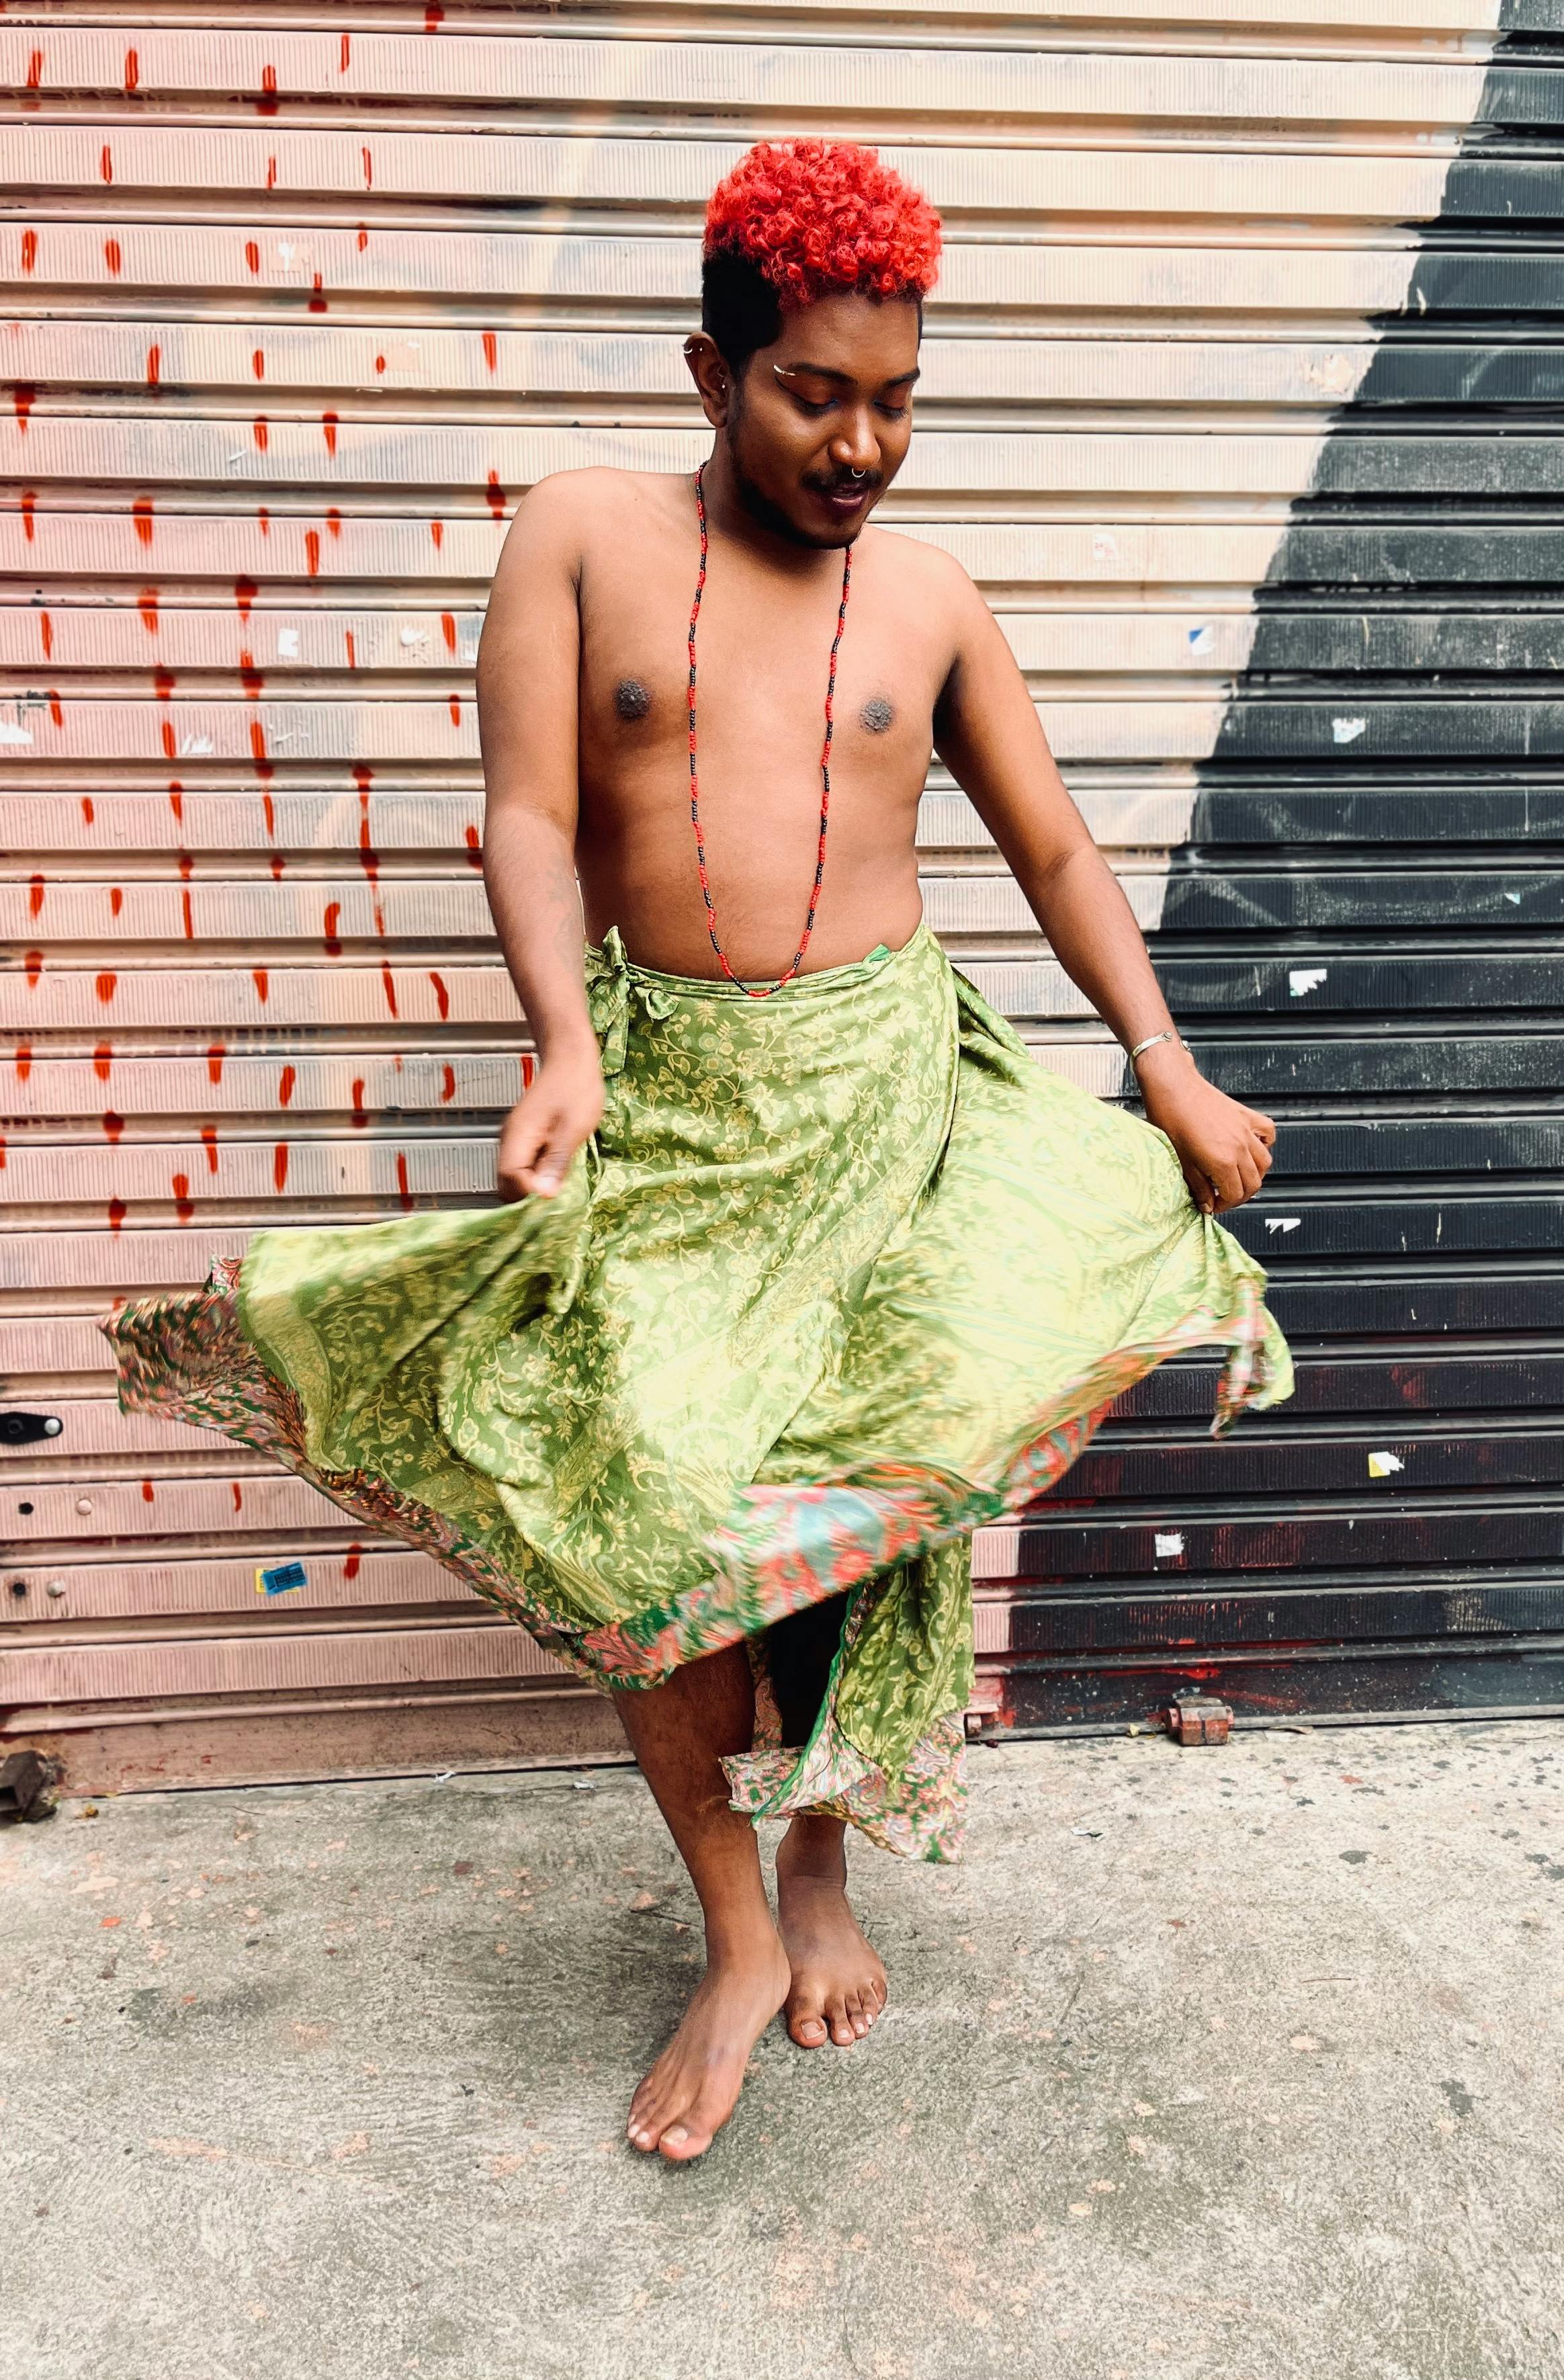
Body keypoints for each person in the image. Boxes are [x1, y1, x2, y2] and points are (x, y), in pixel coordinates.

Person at [107, 139, 1290, 2164]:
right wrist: (562, 1044)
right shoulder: (580, 535)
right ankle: (736, 1933)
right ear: (710, 370)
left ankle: (818, 1871)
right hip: (668, 1106)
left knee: (878, 1492)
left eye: (897, 400)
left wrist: (1165, 1067)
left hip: (893, 1099)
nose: (862, 446)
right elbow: (529, 813)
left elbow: (1055, 848)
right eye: (814, 394)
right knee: (644, 1502)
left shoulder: (932, 599)